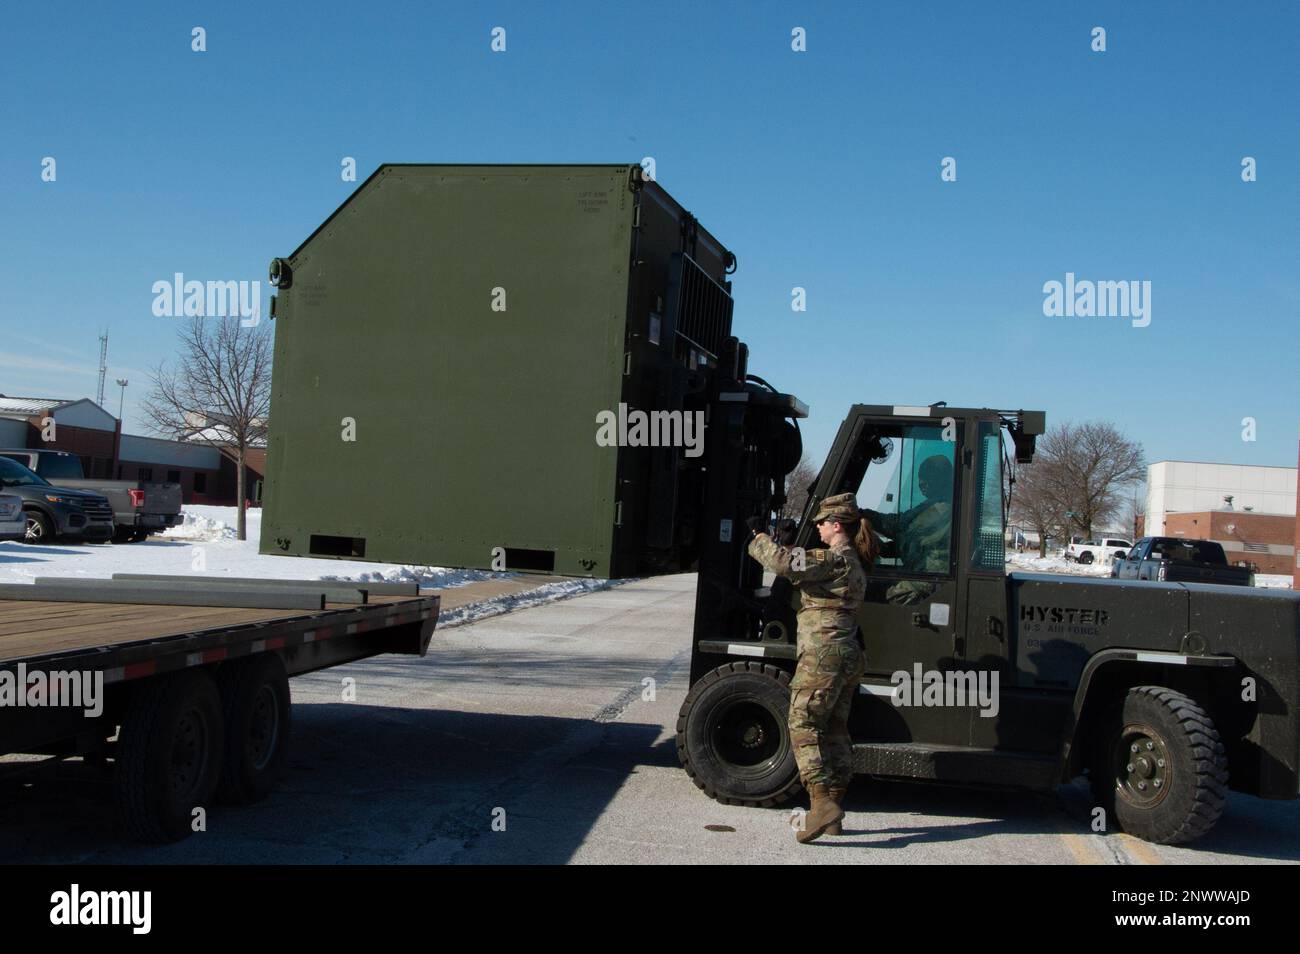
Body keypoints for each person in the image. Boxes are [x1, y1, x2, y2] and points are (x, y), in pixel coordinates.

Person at [746, 493, 876, 843]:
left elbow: (784, 565)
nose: (817, 526)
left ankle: (820, 802)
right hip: (848, 654)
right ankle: (832, 811)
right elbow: (800, 564)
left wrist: (760, 536)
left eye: (822, 522)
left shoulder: (832, 558)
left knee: (802, 722)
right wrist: (788, 544)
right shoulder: (852, 560)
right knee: (833, 729)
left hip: (824, 655)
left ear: (837, 526)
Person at [861, 453, 953, 604]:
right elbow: (912, 540)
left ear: (940, 479)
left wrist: (862, 514)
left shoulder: (942, 508)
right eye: (920, 477)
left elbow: (901, 526)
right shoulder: (935, 503)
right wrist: (881, 547)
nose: (921, 483)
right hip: (924, 575)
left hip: (928, 581)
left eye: (926, 477)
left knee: (870, 593)